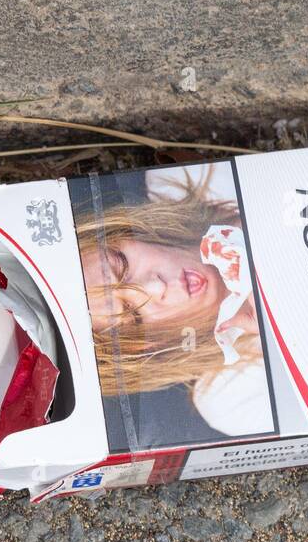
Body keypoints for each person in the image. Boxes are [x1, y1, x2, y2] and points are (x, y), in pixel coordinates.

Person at [75, 166, 272, 437]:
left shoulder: (184, 181)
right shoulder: (228, 396)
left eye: (122, 265)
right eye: (135, 315)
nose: (156, 286)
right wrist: (280, 321)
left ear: (122, 232)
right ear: (146, 346)